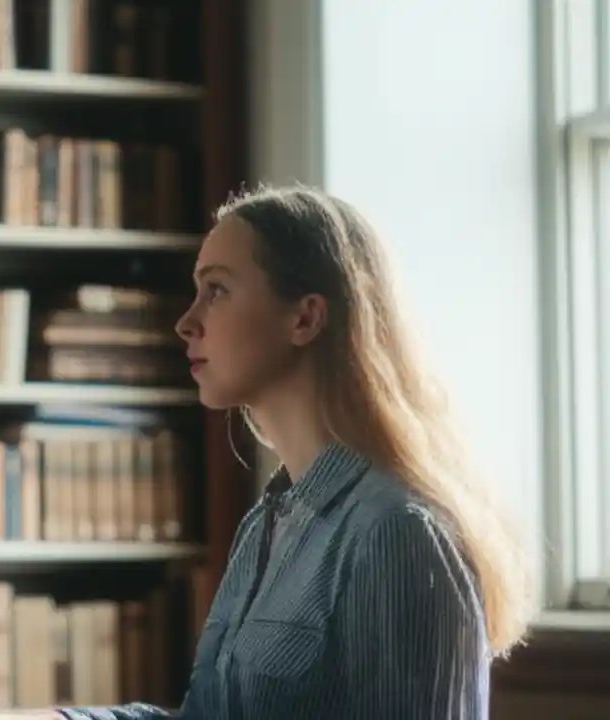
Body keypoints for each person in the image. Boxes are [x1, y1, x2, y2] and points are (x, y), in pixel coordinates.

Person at [52, 185, 534, 719]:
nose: (186, 322)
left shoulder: (397, 532)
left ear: (304, 318)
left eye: (217, 291)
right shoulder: (267, 525)